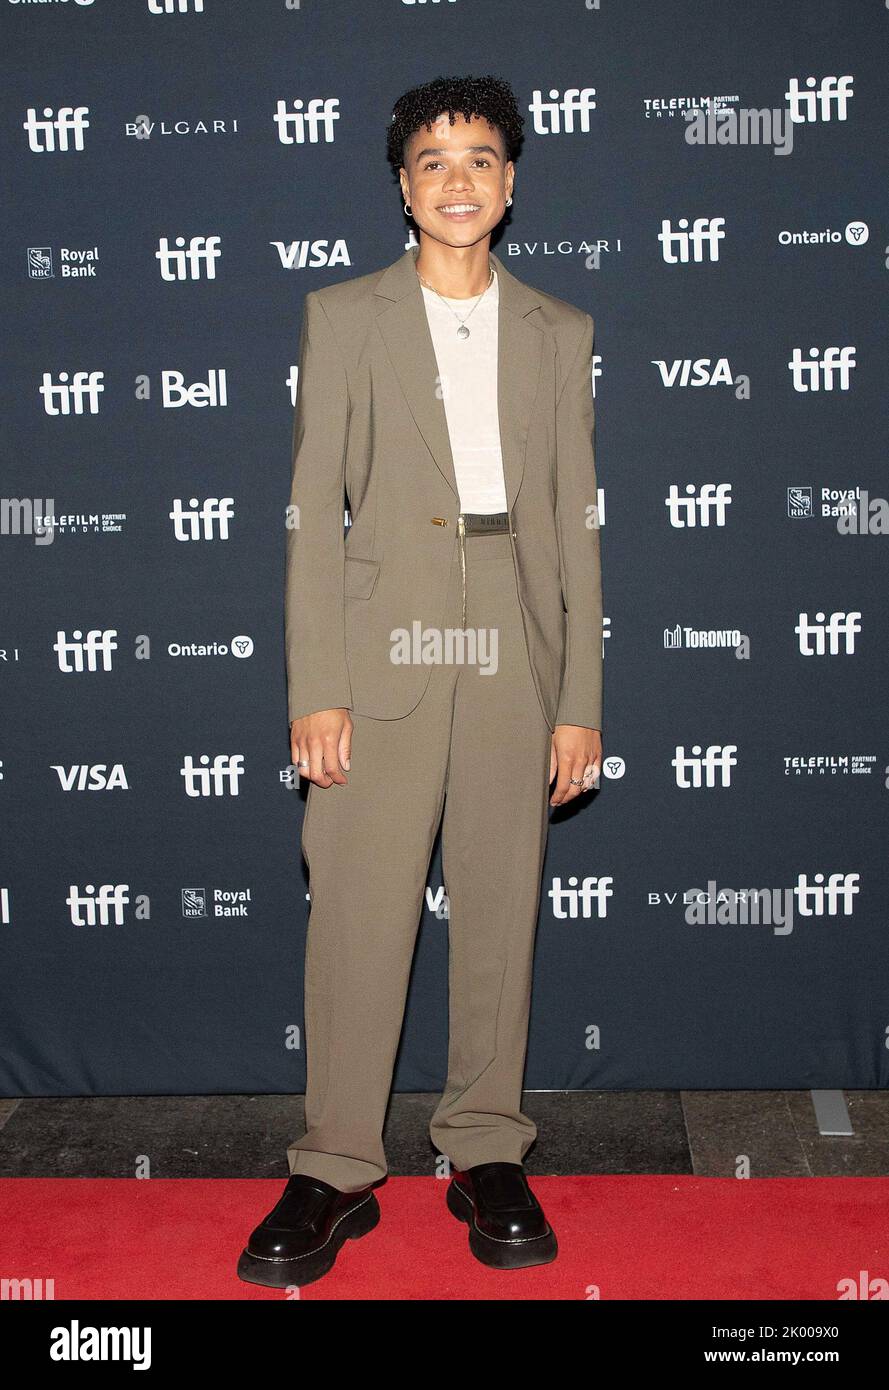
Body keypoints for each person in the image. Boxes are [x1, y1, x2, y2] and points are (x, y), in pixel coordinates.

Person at [238, 73, 603, 1289]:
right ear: (402, 185)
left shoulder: (560, 330)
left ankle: (485, 1147)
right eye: (433, 160)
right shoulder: (343, 315)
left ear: (511, 184)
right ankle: (335, 1165)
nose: (458, 179)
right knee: (357, 911)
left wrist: (577, 697)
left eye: (481, 158)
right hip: (382, 642)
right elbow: (311, 516)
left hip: (513, 640)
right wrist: (317, 681)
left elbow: (572, 531)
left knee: (500, 906)